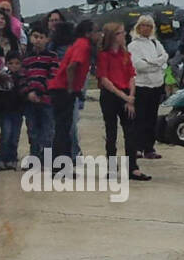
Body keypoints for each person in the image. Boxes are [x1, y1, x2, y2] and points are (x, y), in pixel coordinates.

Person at [49, 18, 93, 164]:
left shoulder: (80, 43)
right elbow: (71, 66)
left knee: (63, 128)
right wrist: (71, 88)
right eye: (96, 31)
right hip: (63, 89)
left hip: (61, 88)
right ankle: (61, 164)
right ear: (88, 33)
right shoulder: (83, 45)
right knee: (63, 129)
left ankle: (62, 163)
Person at [129, 14, 169, 172]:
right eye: (143, 25)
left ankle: (149, 147)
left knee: (152, 117)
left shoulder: (155, 43)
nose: (146, 28)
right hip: (141, 85)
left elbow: (165, 57)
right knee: (139, 117)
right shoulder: (133, 45)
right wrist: (156, 63)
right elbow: (138, 65)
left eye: (149, 26)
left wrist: (153, 63)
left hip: (156, 84)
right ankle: (137, 147)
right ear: (138, 27)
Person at [95, 21, 136, 171]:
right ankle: (111, 166)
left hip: (125, 92)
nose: (123, 35)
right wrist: (124, 97)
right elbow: (104, 79)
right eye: (119, 33)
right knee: (111, 132)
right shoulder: (104, 55)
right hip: (111, 95)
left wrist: (130, 97)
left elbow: (131, 76)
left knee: (130, 131)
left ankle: (132, 166)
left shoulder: (125, 54)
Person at [21, 25, 58, 161]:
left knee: (48, 131)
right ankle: (35, 157)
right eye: (35, 37)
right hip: (30, 101)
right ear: (30, 38)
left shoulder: (52, 57)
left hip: (46, 100)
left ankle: (47, 159)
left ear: (47, 39)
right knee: (32, 130)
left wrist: (39, 91)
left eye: (42, 37)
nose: (38, 40)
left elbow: (53, 76)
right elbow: (22, 77)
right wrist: (29, 92)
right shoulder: (26, 58)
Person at [0, 51, 25, 170]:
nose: (14, 66)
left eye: (17, 63)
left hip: (18, 111)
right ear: (6, 63)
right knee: (6, 134)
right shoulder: (2, 77)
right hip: (5, 111)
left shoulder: (22, 78)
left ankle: (12, 158)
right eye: (11, 63)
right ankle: (1, 158)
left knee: (14, 136)